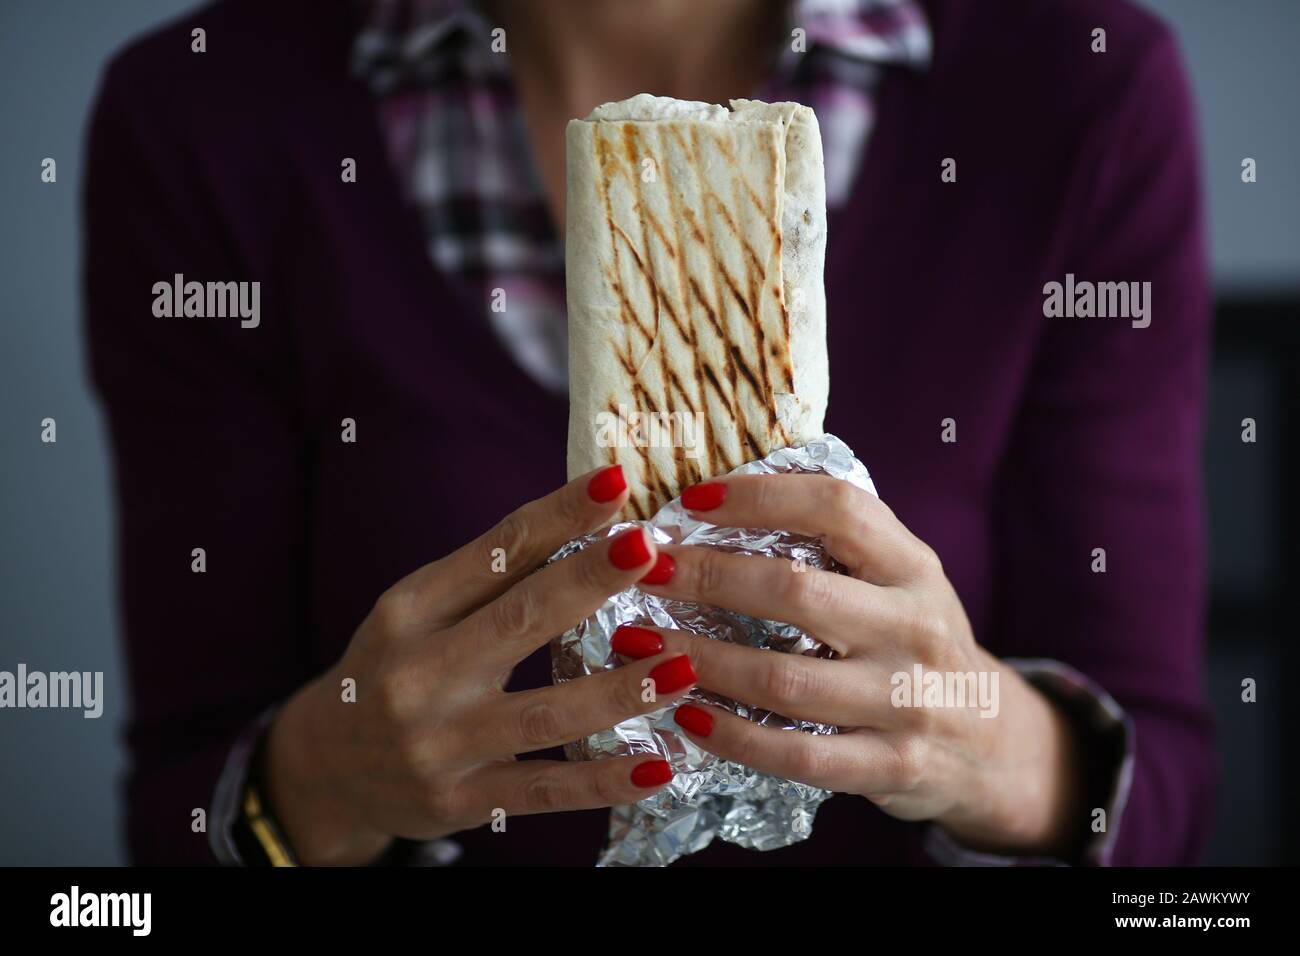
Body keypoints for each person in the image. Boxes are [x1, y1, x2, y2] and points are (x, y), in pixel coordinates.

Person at [84, 0, 1214, 866]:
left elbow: (1170, 789)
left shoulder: (1076, 87)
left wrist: (990, 744)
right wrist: (325, 779)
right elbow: (176, 809)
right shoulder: (204, 117)